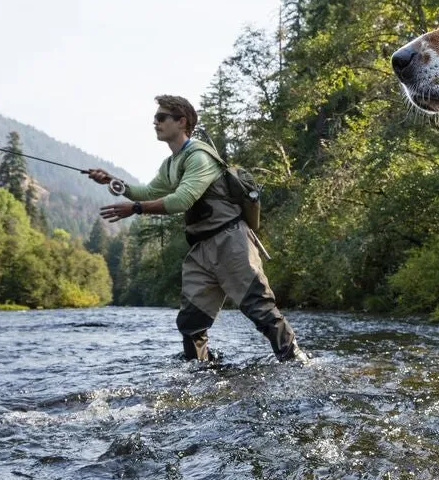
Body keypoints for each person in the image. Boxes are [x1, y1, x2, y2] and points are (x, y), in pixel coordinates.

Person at [86, 96, 302, 363]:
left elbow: (181, 200)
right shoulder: (171, 163)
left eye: (162, 117)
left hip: (231, 242)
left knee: (259, 309)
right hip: (201, 250)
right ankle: (201, 376)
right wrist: (112, 181)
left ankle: (296, 362)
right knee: (190, 323)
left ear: (182, 121)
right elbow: (149, 191)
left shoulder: (199, 156)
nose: (155, 122)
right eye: (155, 118)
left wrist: (136, 209)